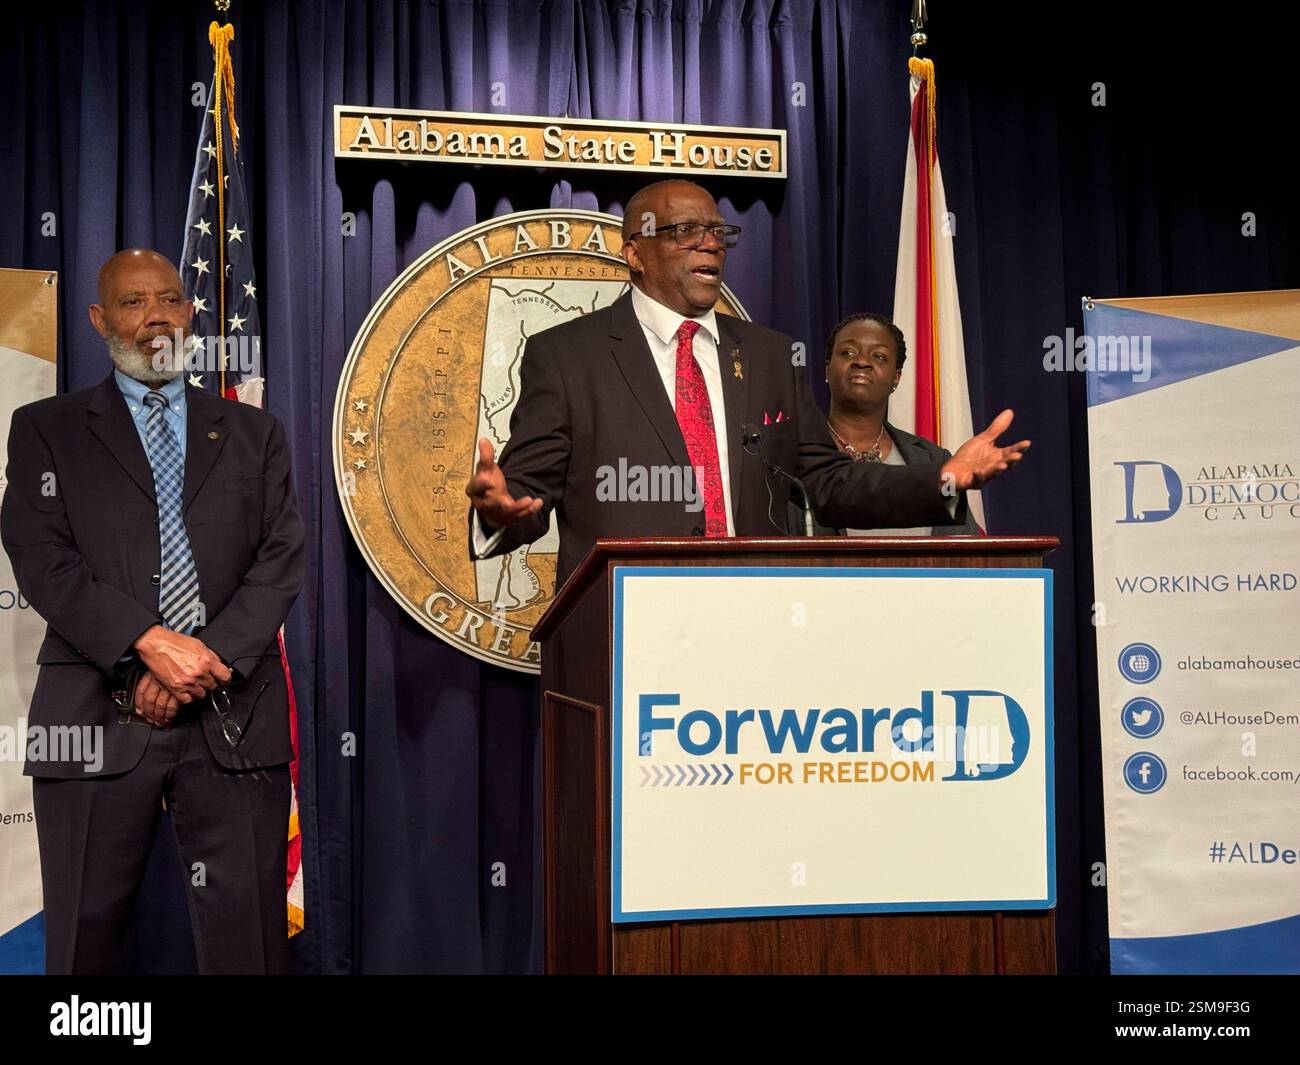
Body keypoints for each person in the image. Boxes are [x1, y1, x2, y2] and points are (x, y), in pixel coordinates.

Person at [465, 179, 1027, 584]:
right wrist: (500, 511)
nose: (709, 243)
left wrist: (943, 478)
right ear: (634, 253)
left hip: (759, 619)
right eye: (684, 231)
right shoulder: (566, 357)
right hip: (626, 622)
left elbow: (829, 485)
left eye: (716, 231)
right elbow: (523, 494)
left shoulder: (767, 354)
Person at [0, 249, 305, 974]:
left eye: (170, 298)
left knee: (250, 948)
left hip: (232, 716)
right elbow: (42, 557)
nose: (157, 315)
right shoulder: (49, 429)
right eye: (134, 303)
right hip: (94, 717)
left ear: (191, 314)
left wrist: (198, 661)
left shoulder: (253, 434)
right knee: (84, 944)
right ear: (99, 320)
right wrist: (146, 641)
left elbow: (281, 557)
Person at [812, 311, 981, 535]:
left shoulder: (935, 462)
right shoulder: (793, 460)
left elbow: (965, 558)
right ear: (827, 368)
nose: (861, 361)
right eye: (848, 352)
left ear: (896, 378)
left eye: (879, 356)